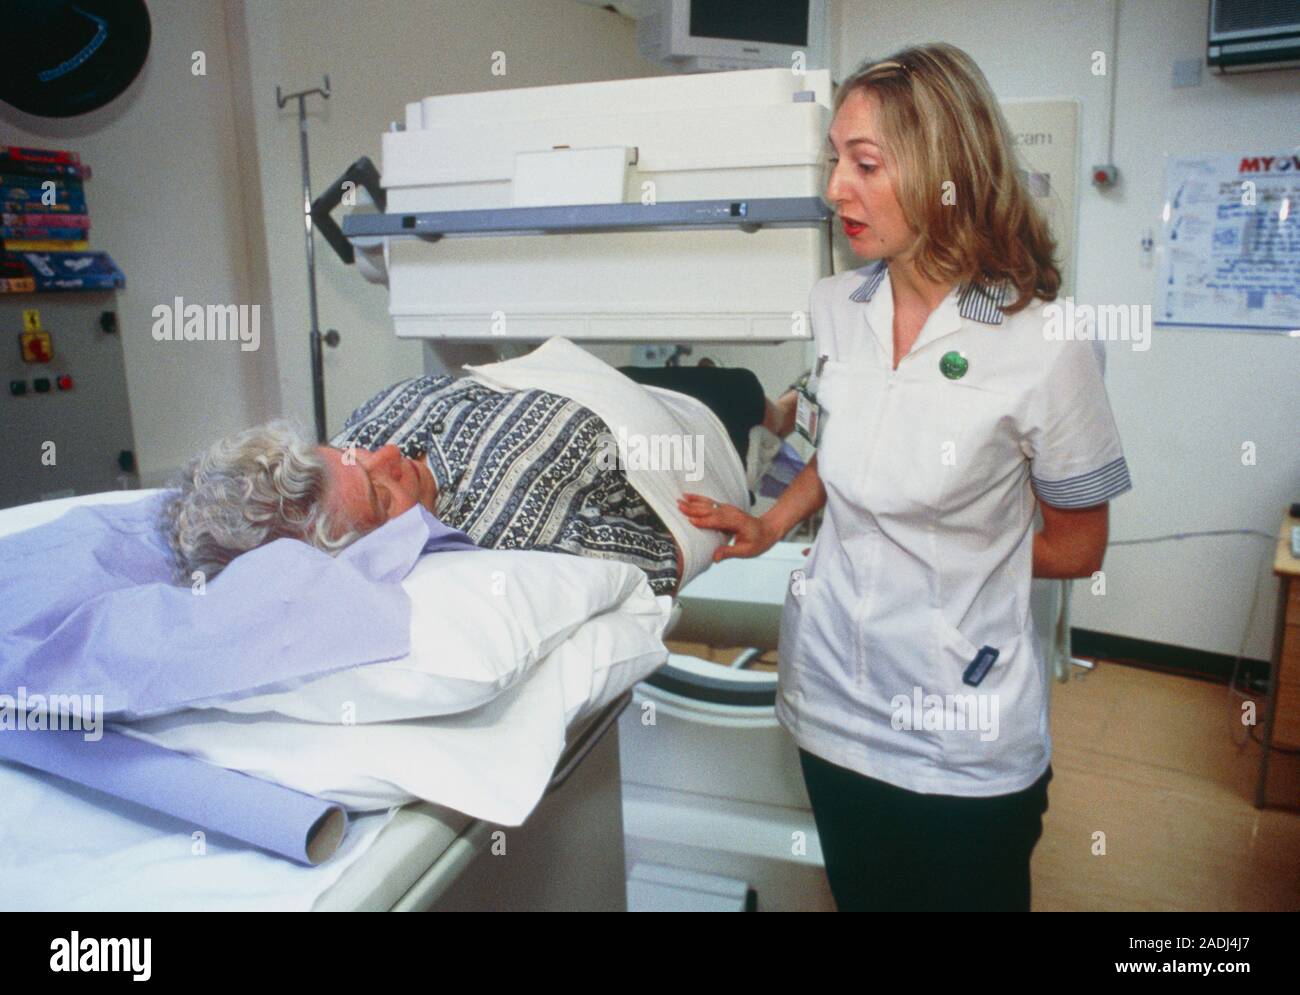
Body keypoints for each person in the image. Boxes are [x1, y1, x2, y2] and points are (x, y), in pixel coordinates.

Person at [678, 43, 1132, 912]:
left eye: (866, 164)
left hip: (961, 738)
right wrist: (772, 524)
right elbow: (840, 445)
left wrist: (953, 551)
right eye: (834, 161)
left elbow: (1078, 544)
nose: (834, 189)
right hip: (833, 709)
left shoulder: (1047, 340)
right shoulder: (836, 310)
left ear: (946, 172)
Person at [160, 354, 796, 598]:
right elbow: (659, 562)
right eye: (382, 497)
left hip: (583, 376)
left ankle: (780, 413)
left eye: (348, 452)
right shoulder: (513, 548)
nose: (386, 456)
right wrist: (753, 523)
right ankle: (784, 420)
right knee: (746, 396)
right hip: (689, 429)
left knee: (724, 378)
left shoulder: (352, 456)